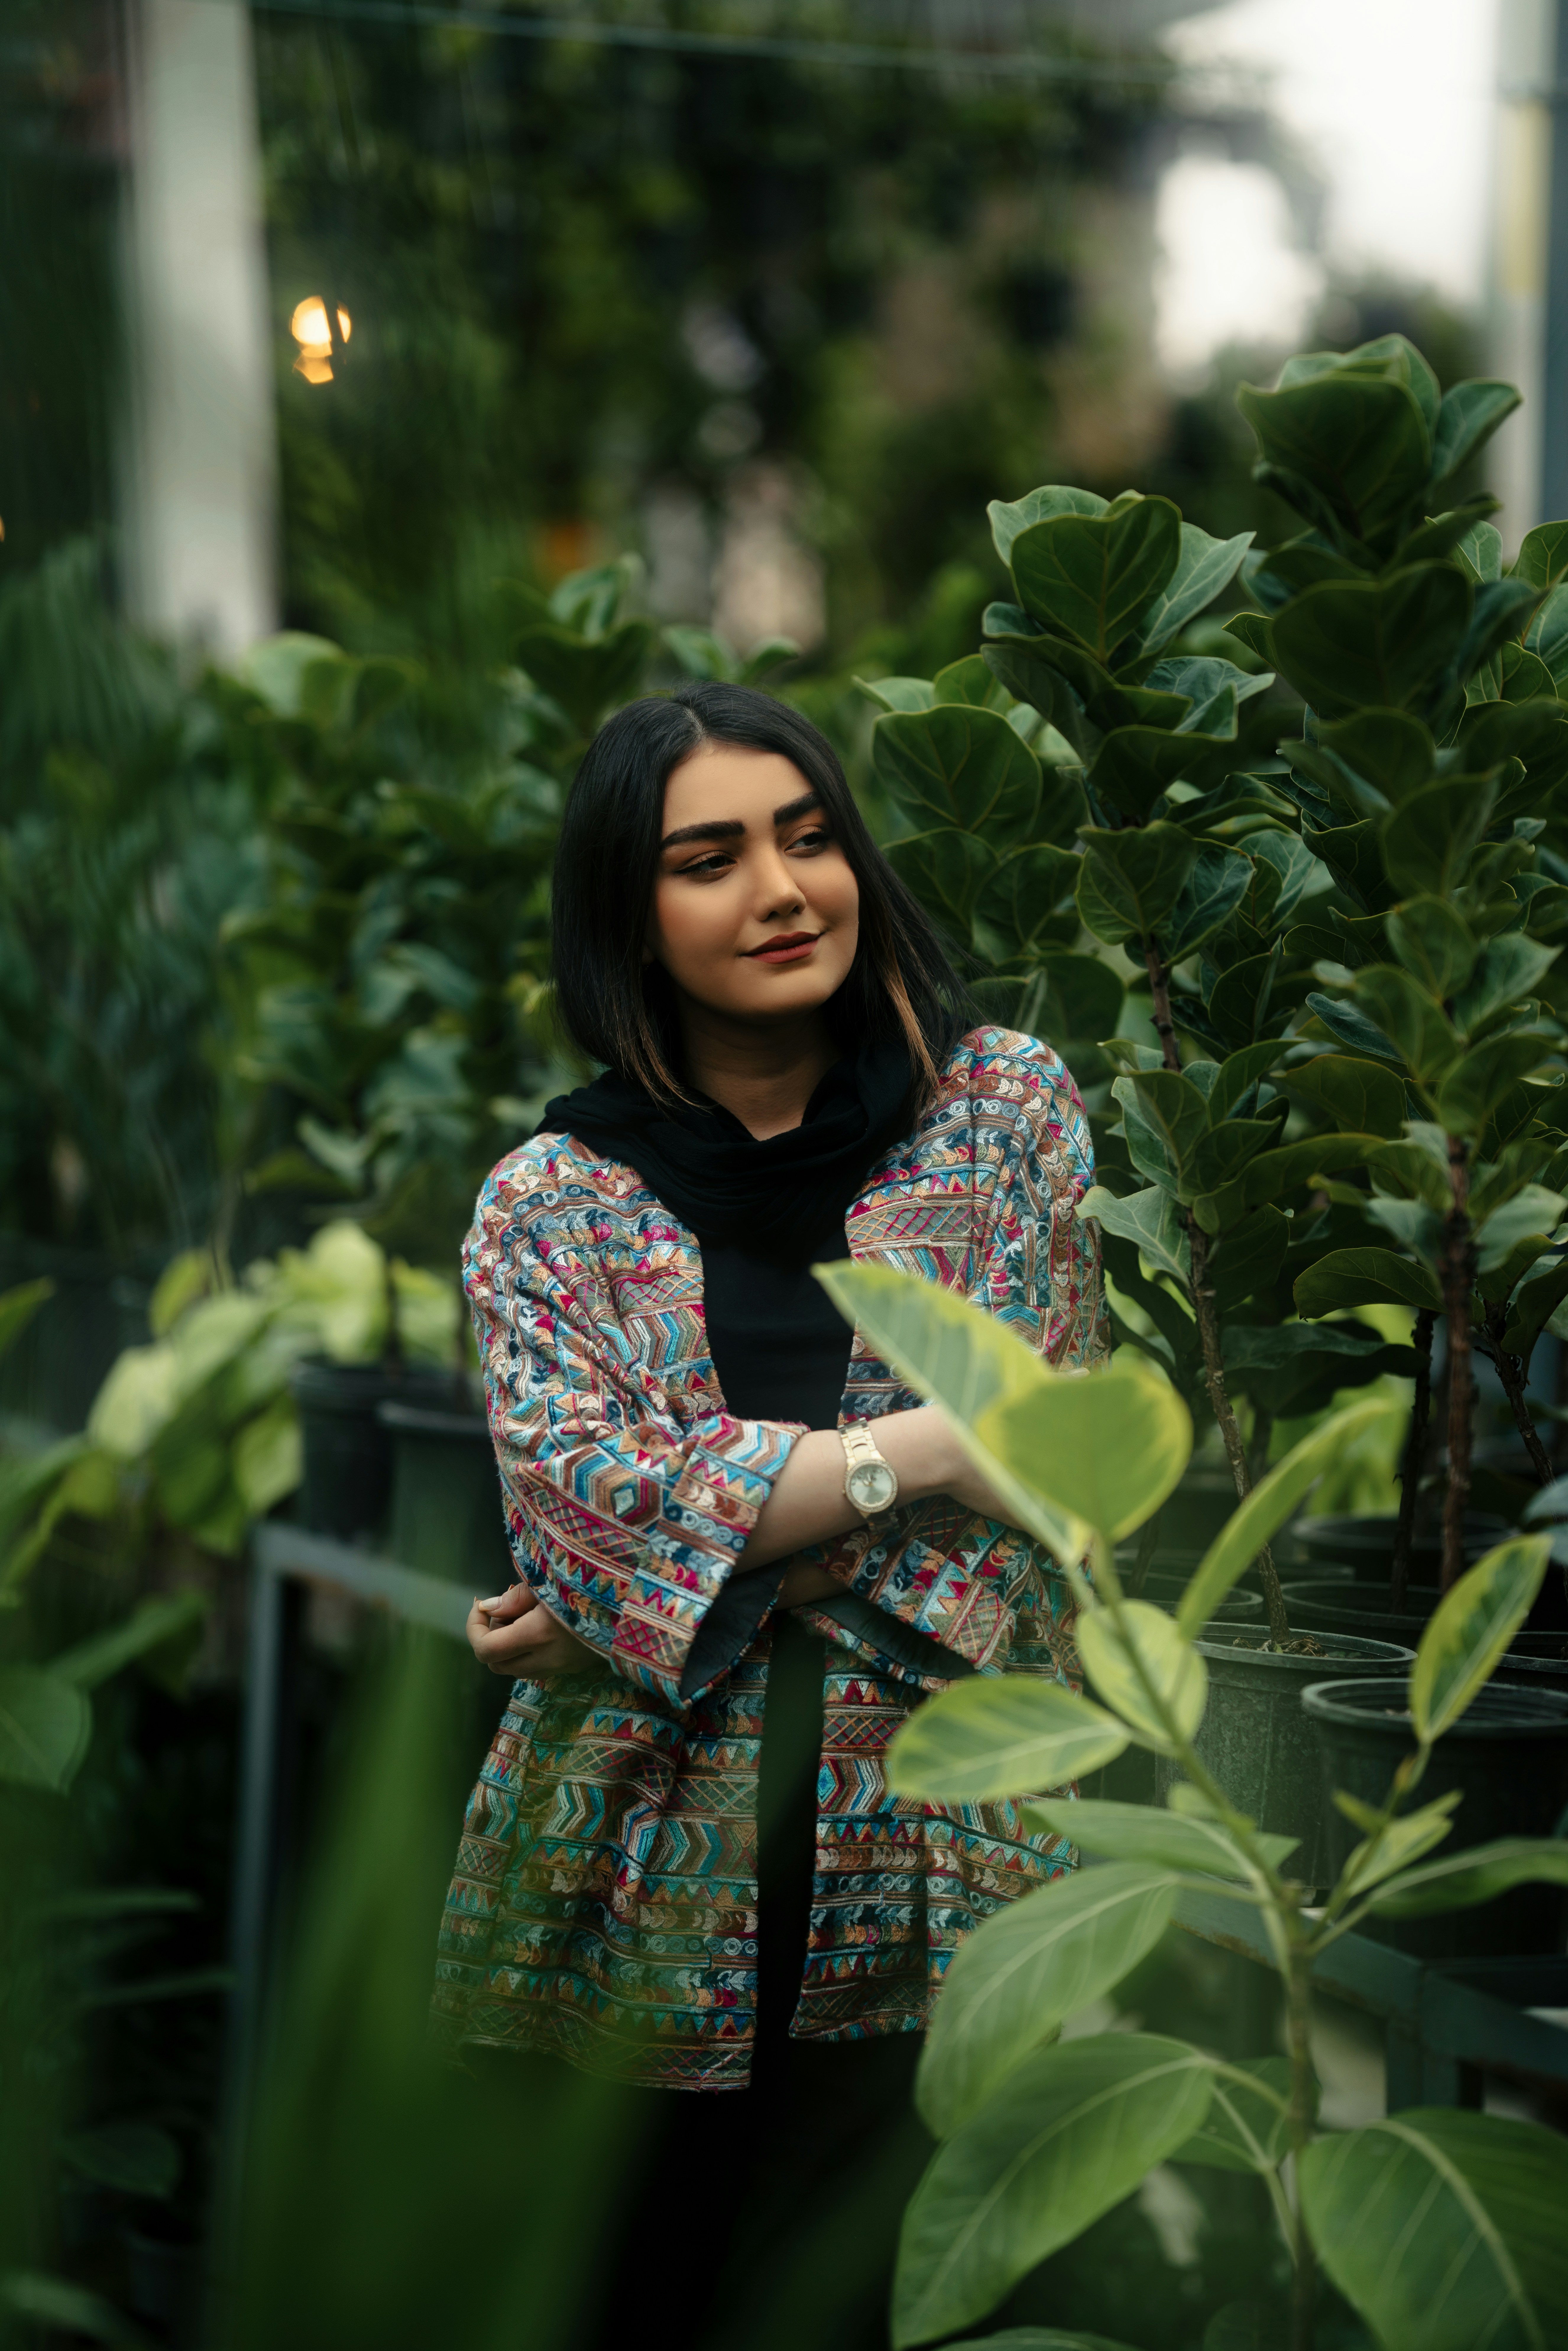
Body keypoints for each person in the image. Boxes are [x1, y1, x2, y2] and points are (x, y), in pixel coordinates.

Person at [434, 680, 1105, 2349]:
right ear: (629, 918)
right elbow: (581, 1509)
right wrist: (922, 1449)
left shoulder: (1003, 1118)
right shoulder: (549, 1204)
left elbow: (1041, 1478)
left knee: (932, 2295)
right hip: (631, 1884)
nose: (782, 890)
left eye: (809, 839)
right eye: (710, 859)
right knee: (647, 2298)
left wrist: (652, 1575)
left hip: (955, 1846)